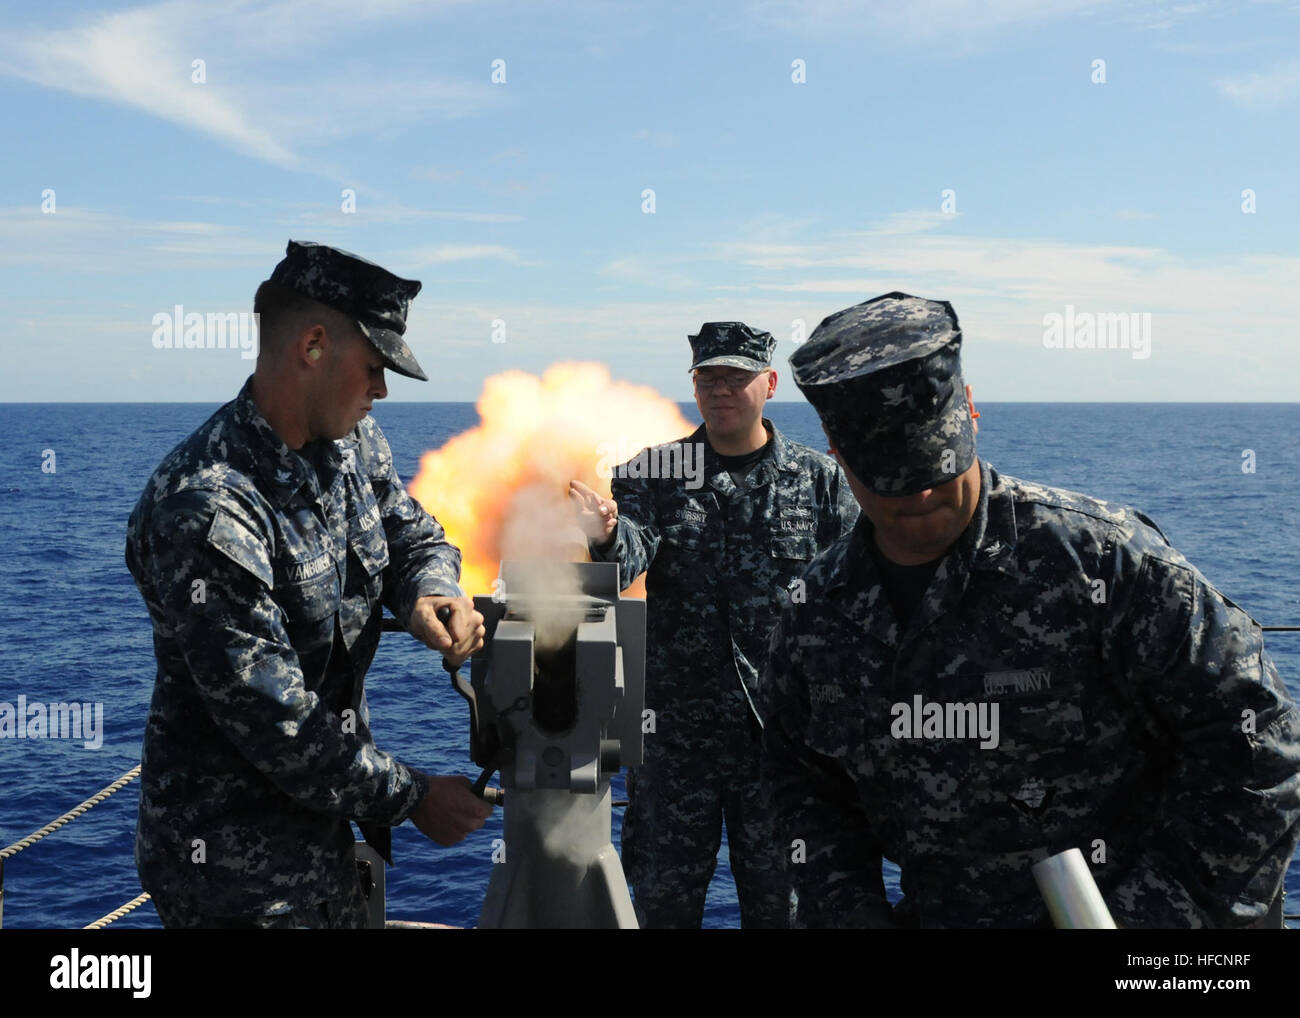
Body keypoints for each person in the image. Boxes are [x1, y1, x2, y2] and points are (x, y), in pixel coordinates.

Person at [759, 291, 1300, 928]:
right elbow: (803, 788)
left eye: (937, 464)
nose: (924, 492)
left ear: (971, 414)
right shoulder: (816, 616)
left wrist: (1150, 920)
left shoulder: (1106, 563)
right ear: (837, 453)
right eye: (893, 478)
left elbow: (1258, 745)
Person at [125, 240, 492, 929]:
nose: (381, 390)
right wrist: (414, 799)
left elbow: (413, 533)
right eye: (375, 367)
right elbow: (278, 723)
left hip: (326, 837)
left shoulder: (352, 445)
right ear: (314, 346)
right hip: (236, 873)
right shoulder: (208, 507)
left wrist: (427, 592)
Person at [568, 322, 858, 928]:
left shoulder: (819, 481)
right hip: (677, 740)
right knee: (661, 906)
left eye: (737, 377)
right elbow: (627, 563)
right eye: (708, 378)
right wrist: (604, 534)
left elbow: (854, 593)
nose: (721, 390)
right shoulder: (653, 472)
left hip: (781, 742)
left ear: (770, 383)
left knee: (783, 909)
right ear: (694, 386)